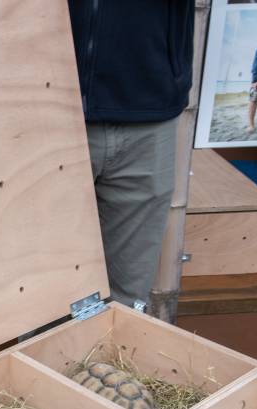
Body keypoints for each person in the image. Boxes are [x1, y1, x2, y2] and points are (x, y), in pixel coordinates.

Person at [67, 0, 195, 309]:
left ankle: (110, 356)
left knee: (126, 299)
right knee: (38, 295)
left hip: (149, 110)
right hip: (40, 106)